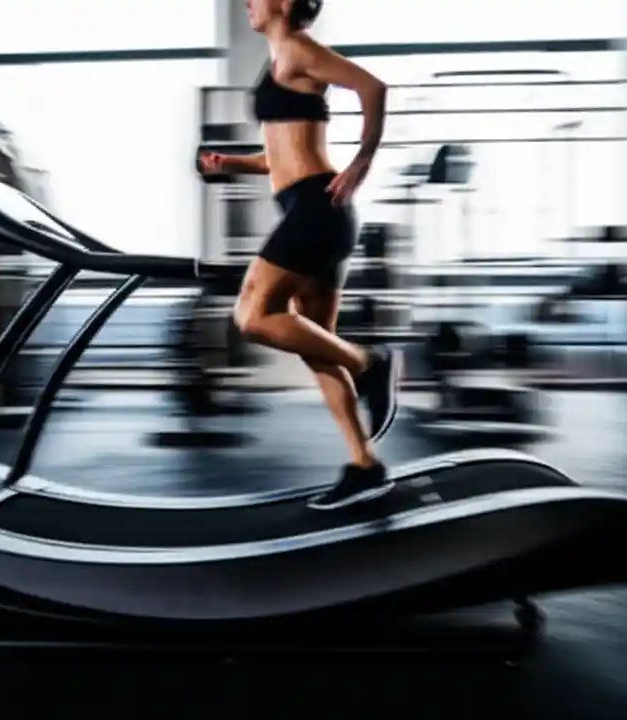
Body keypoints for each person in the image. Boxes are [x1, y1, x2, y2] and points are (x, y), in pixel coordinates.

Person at [199, 0, 401, 510]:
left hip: (316, 210)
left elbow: (372, 87)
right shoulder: (283, 60)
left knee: (252, 316)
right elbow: (278, 157)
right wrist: (229, 164)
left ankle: (370, 362)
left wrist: (362, 160)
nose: (248, 2)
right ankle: (364, 465)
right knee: (316, 348)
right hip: (316, 211)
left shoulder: (296, 48)